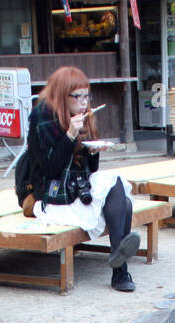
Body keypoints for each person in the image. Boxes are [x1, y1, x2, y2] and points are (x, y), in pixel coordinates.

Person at [23, 67, 139, 292]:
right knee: (121, 201)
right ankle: (120, 271)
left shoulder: (82, 116)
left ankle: (120, 267)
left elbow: (90, 172)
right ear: (62, 95)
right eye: (78, 96)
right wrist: (69, 135)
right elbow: (50, 168)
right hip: (52, 197)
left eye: (87, 95)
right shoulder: (42, 119)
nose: (84, 102)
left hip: (76, 190)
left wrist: (94, 152)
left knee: (121, 195)